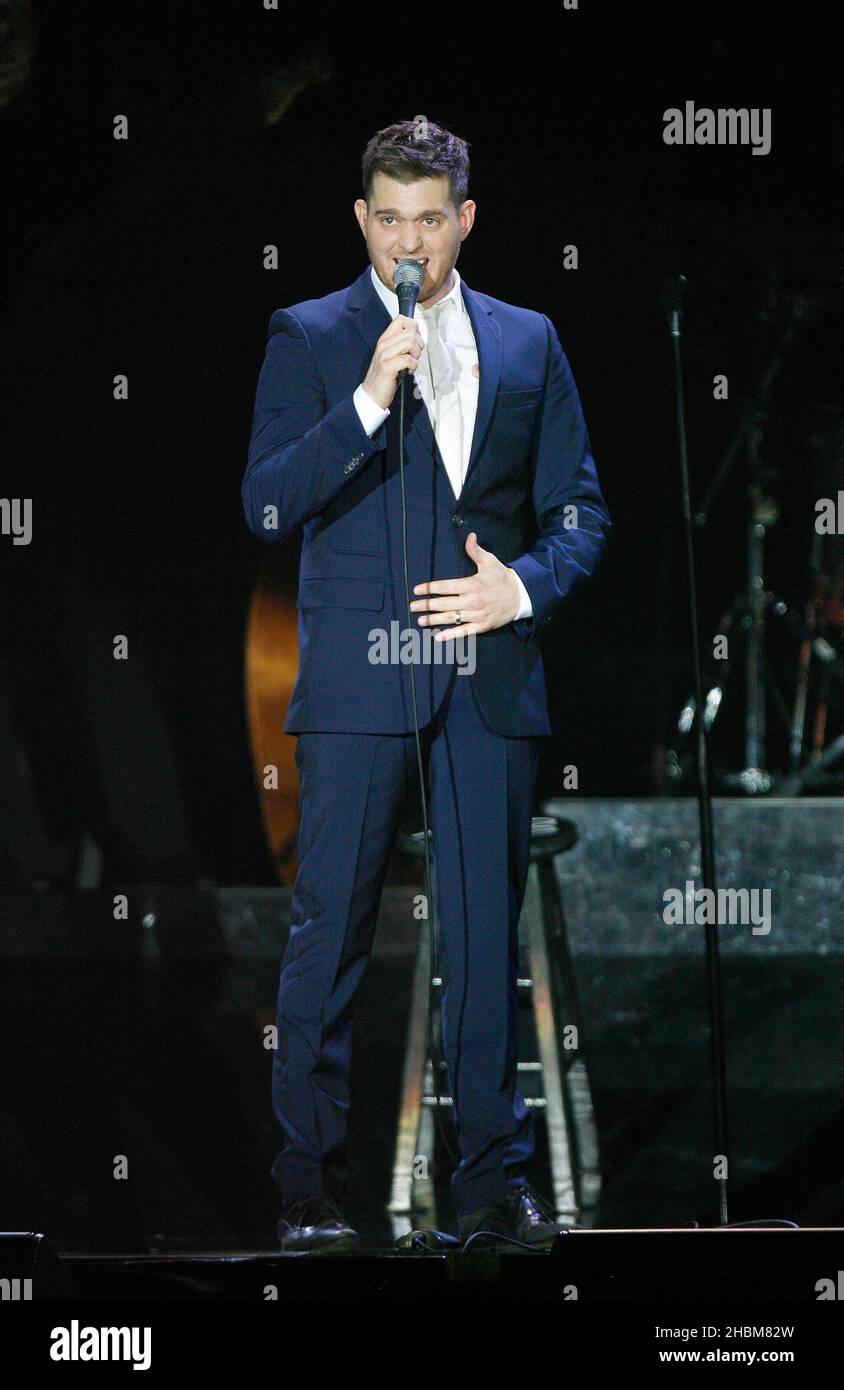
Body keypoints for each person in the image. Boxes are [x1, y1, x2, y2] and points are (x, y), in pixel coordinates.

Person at [242, 119, 611, 1251]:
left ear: (463, 218)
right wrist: (361, 404)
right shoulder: (309, 334)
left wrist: (524, 590)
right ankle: (308, 1190)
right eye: (388, 221)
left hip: (485, 682)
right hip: (358, 683)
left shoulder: (527, 338)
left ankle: (490, 1189)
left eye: (430, 221)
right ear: (363, 221)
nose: (411, 246)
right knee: (330, 932)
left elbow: (581, 512)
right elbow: (264, 504)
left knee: (482, 938)